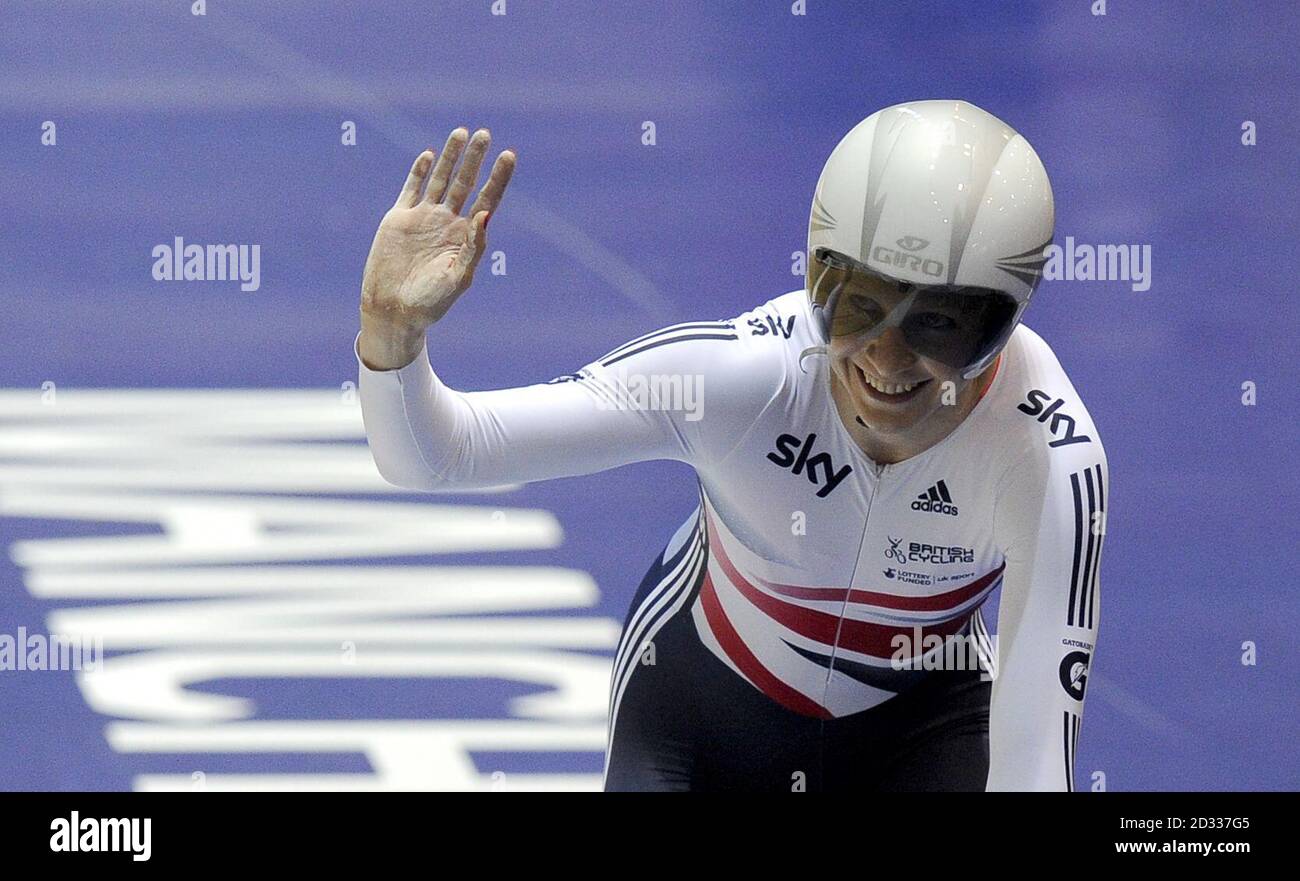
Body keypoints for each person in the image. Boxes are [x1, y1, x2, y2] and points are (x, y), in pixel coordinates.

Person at [355, 100, 1108, 792]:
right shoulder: (741, 379)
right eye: (857, 307)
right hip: (699, 715)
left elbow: (1035, 768)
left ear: (1003, 326)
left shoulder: (1046, 458)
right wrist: (391, 334)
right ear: (815, 277)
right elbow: (434, 454)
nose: (885, 359)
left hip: (925, 732)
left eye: (937, 325)